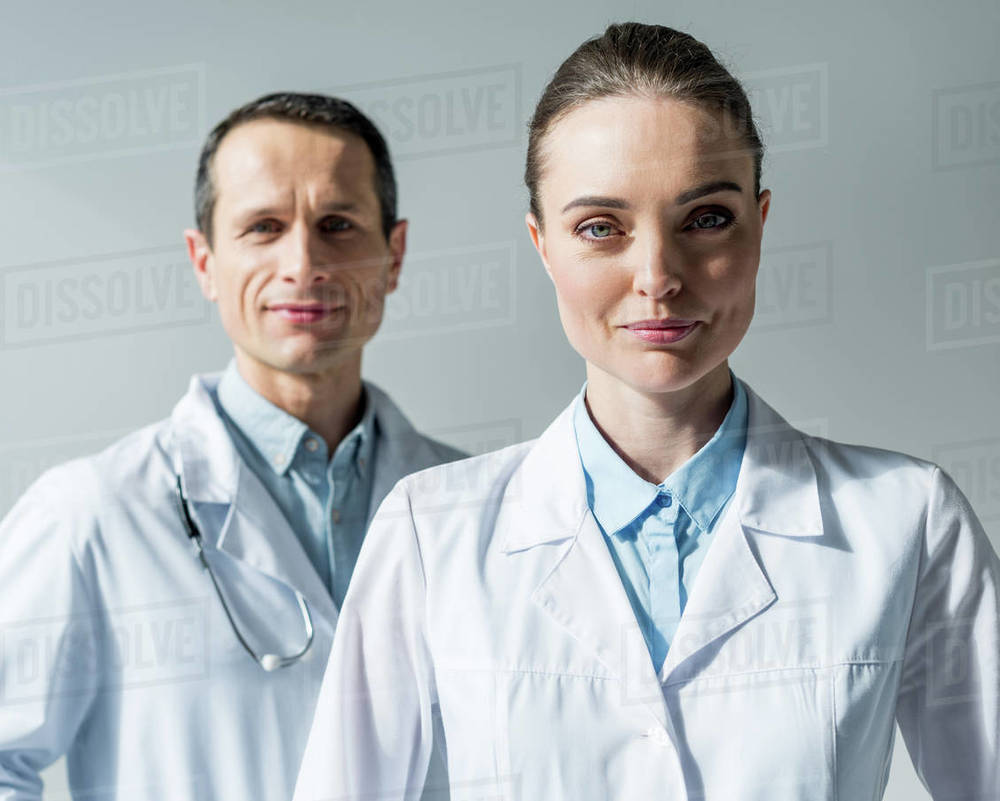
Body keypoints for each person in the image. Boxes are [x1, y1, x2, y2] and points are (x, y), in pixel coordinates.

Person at [292, 23, 1000, 801]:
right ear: (542, 244)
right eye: (601, 228)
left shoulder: (907, 521)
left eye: (705, 219)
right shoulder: (432, 532)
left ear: (761, 223)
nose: (658, 276)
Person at [0, 93, 465, 801]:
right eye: (263, 227)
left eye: (337, 224)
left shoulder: (479, 506)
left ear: (392, 254)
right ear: (204, 261)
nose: (303, 261)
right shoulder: (92, 514)